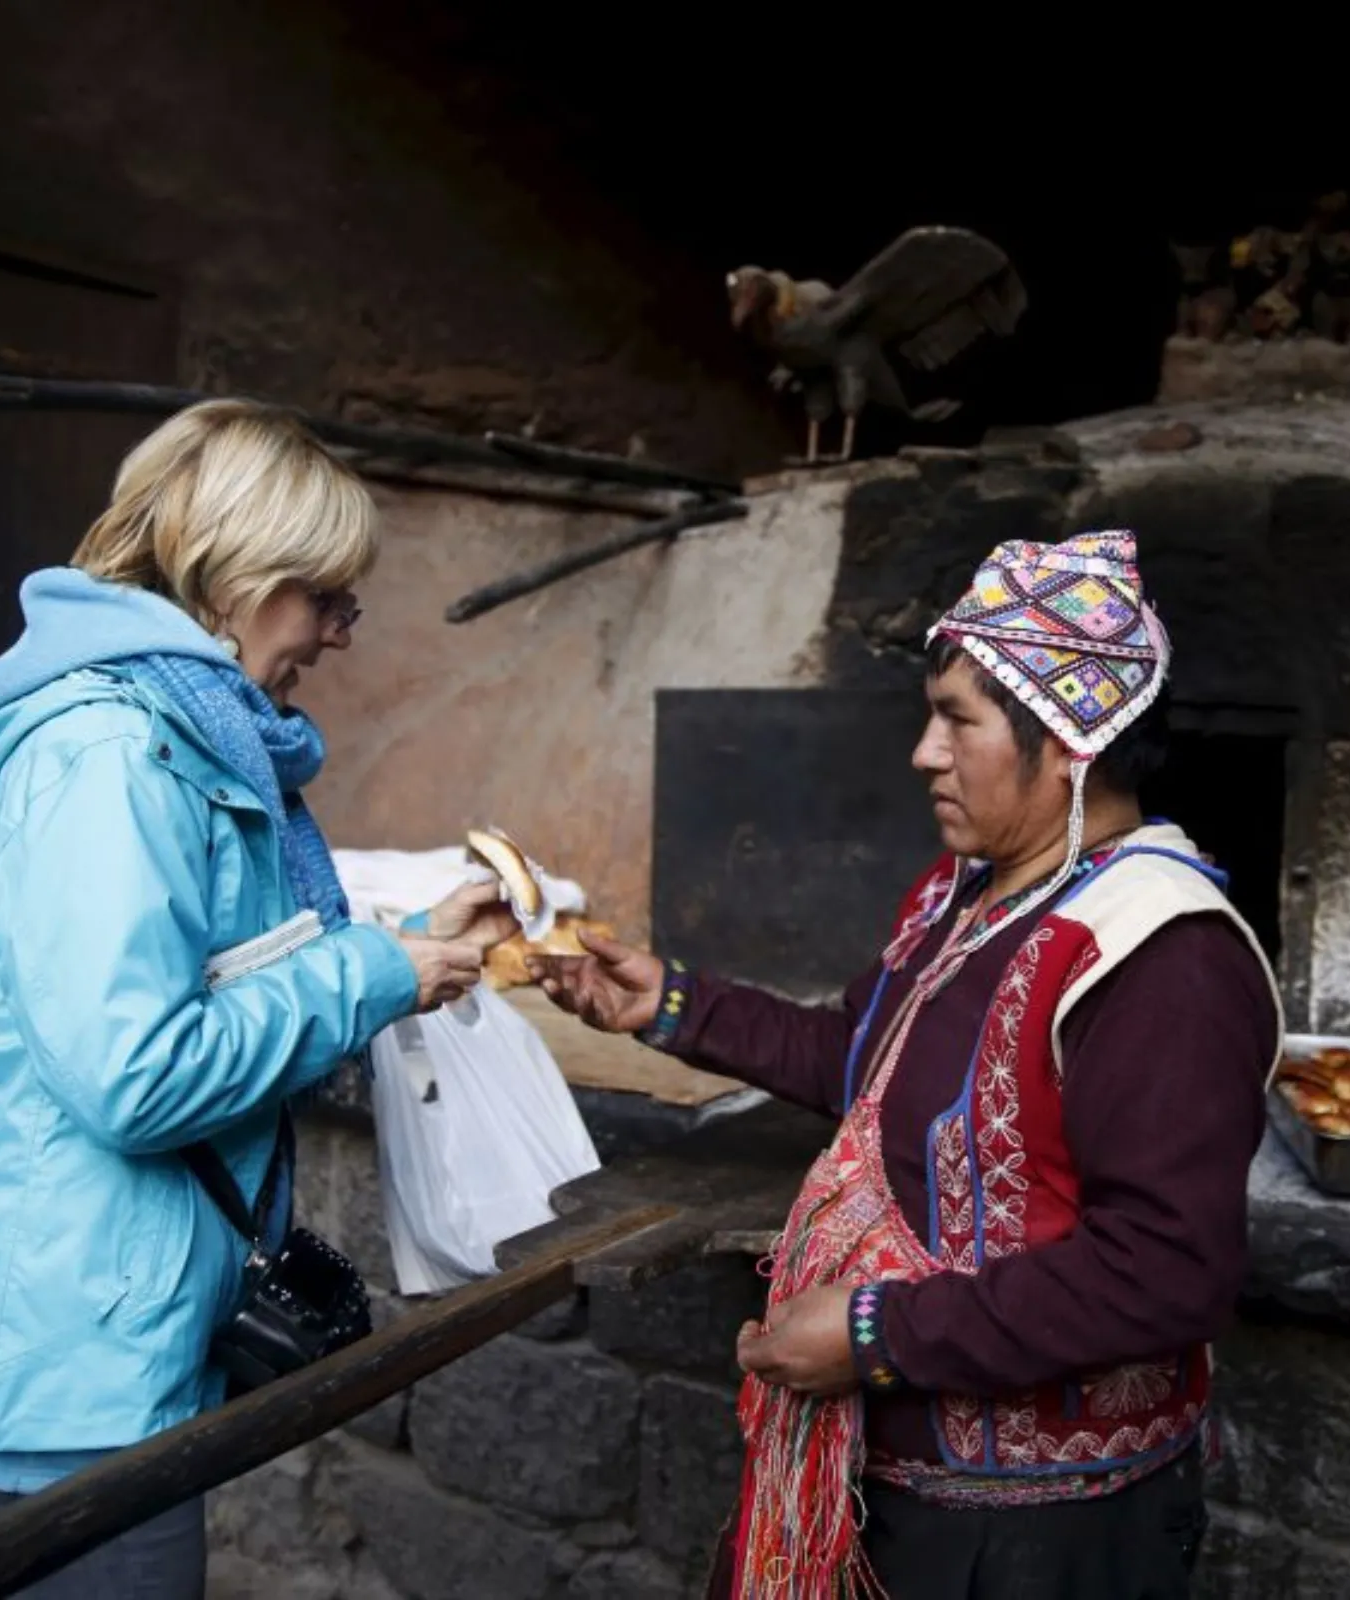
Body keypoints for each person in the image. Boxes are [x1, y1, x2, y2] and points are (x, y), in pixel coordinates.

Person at [536, 530, 1283, 1599]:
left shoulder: (1162, 952)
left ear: (1069, 740)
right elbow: (867, 1061)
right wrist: (670, 1004)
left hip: (1034, 1542)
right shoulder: (962, 896)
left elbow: (1167, 1266)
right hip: (889, 1488)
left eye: (959, 720)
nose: (924, 752)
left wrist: (877, 1333)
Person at [0, 399, 513, 1599]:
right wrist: (376, 974)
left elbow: (213, 969)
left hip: (100, 1340)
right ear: (240, 575)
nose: (336, 633)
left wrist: (405, 944)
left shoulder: (178, 735)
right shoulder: (112, 756)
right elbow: (137, 1072)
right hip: (65, 1375)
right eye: (325, 597)